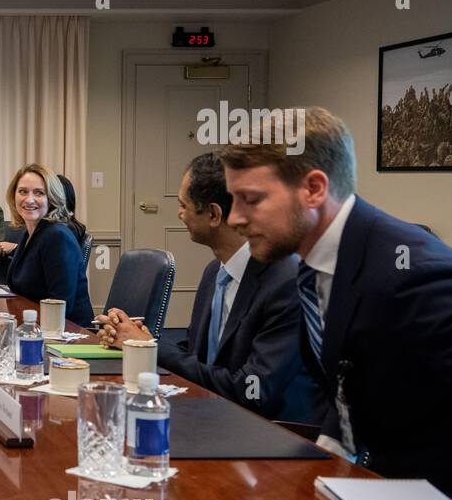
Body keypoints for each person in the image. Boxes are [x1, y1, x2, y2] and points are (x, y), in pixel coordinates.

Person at [220, 107, 452, 490]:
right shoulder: (315, 266)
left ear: (313, 189)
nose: (234, 218)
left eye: (250, 199)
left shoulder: (414, 277)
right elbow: (346, 390)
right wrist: (325, 460)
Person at [95, 152, 324, 423]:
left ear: (214, 214)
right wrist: (136, 340)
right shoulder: (214, 272)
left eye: (184, 205)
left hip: (274, 435)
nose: (179, 213)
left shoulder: (287, 282)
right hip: (218, 416)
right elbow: (197, 354)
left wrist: (151, 346)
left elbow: (252, 391)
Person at [0, 162, 93, 325]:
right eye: (23, 191)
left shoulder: (57, 236)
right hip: (34, 327)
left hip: (69, 337)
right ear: (13, 195)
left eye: (39, 193)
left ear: (52, 198)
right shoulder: (31, 232)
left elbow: (60, 307)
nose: (29, 199)